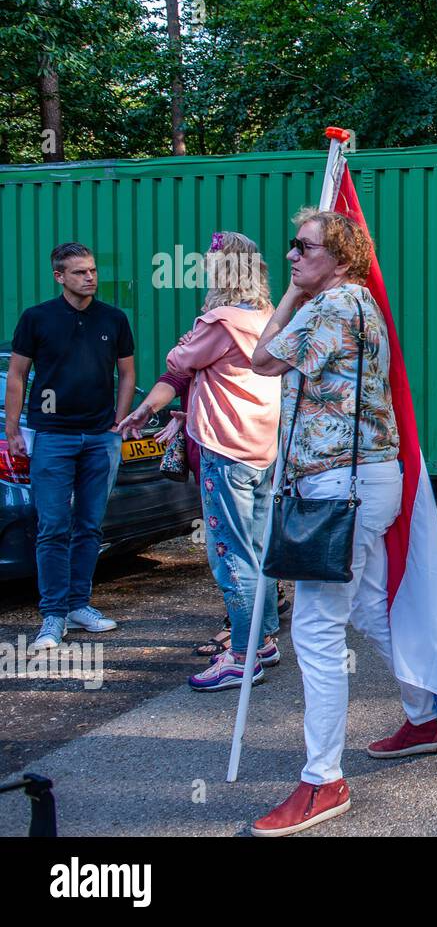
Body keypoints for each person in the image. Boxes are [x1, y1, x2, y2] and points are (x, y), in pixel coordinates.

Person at [247, 208, 437, 837]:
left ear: (340, 258)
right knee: (366, 610)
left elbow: (262, 360)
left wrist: (287, 298)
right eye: (291, 247)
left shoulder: (331, 309)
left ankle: (323, 780)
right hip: (361, 483)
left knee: (314, 629)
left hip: (339, 486)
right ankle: (427, 715)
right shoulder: (356, 304)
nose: (291, 257)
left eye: (303, 248)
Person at [116, 232, 283, 691]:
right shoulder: (267, 319)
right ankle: (263, 639)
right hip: (262, 448)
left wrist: (151, 400)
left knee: (228, 553)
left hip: (224, 448)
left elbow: (178, 363)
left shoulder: (219, 321)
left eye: (211, 264)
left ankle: (242, 655)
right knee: (258, 549)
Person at [6, 243, 134, 650]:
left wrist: (119, 420)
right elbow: (17, 375)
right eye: (80, 272)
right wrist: (13, 431)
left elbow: (128, 372)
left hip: (101, 438)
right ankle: (53, 615)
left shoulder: (113, 318)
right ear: (59, 276)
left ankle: (80, 605)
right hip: (53, 437)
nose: (90, 278)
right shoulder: (37, 318)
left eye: (93, 270)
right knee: (52, 527)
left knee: (90, 526)